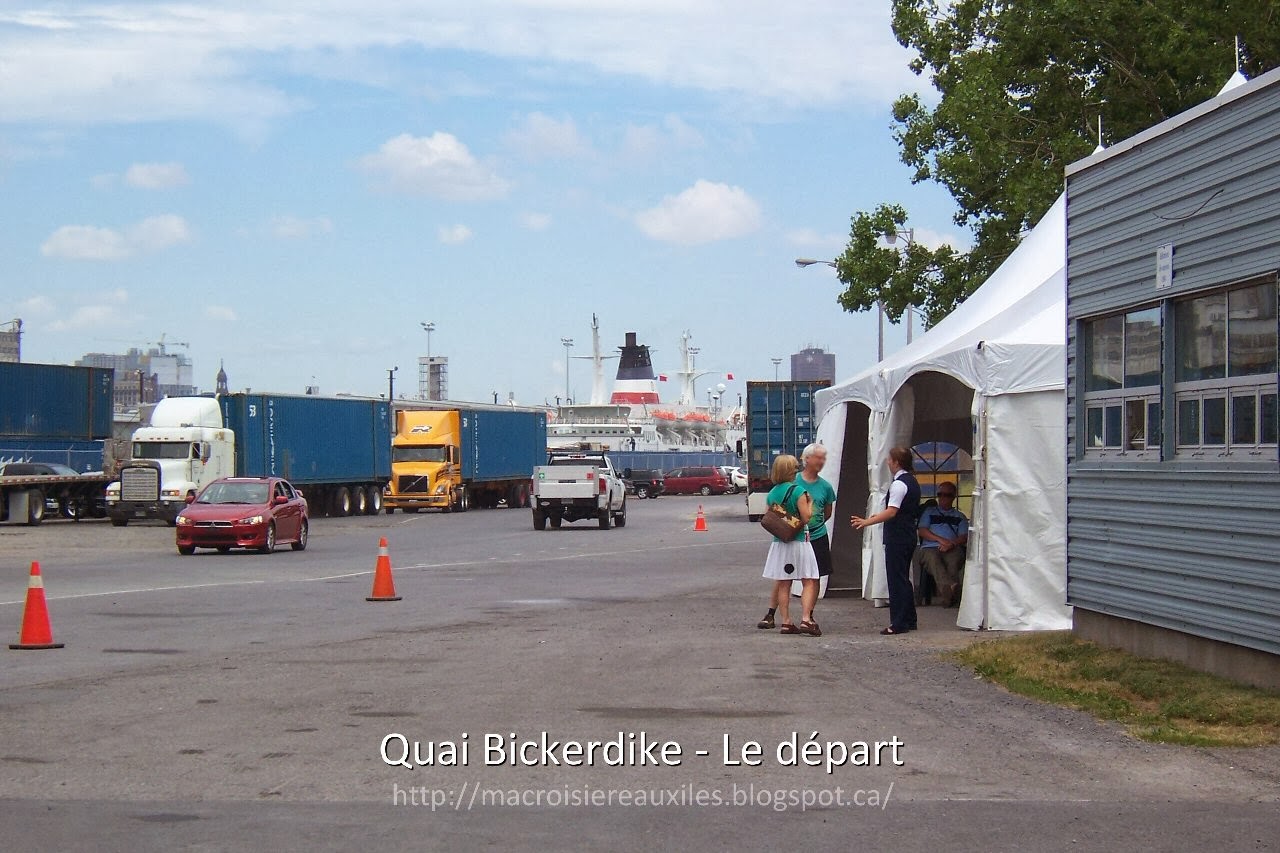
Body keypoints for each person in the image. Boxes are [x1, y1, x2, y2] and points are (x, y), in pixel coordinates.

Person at [757, 444, 834, 631]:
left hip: (783, 541)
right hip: (801, 540)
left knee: (784, 580)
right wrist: (808, 506)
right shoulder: (798, 490)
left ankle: (786, 620)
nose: (822, 462)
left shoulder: (774, 491)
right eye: (818, 457)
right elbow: (807, 516)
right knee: (809, 578)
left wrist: (785, 524)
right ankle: (806, 618)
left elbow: (768, 514)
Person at [851, 447, 920, 635]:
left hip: (898, 536)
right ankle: (909, 618)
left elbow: (892, 511)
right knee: (903, 578)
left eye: (890, 459)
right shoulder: (911, 481)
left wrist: (867, 521)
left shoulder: (898, 484)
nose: (888, 462)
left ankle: (898, 622)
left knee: (896, 579)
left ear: (896, 462)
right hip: (908, 533)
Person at [917, 481, 968, 608]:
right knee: (933, 559)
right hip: (930, 547)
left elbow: (964, 536)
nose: (943, 498)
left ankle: (948, 596)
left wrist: (951, 543)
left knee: (954, 560)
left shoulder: (960, 516)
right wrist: (940, 540)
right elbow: (922, 530)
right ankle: (951, 589)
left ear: (953, 497)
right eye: (940, 495)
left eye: (947, 495)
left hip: (952, 546)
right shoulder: (929, 512)